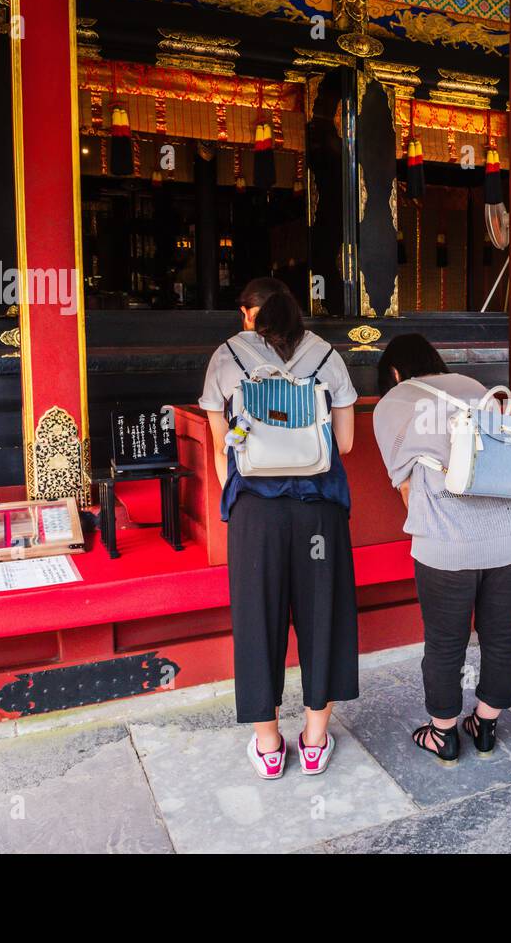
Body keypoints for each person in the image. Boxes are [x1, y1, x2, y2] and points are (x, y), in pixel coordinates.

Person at [198, 277, 360, 780]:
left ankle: (269, 747)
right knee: (323, 614)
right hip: (319, 510)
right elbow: (347, 444)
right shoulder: (327, 356)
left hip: (256, 514)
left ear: (248, 314)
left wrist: (249, 483)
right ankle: (314, 741)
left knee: (256, 618)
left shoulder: (227, 356)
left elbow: (223, 447)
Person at [372, 334, 511, 761]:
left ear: (393, 372)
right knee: (502, 634)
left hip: (448, 543)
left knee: (446, 641)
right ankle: (485, 725)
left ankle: (442, 733)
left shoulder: (393, 402)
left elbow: (407, 487)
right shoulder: (476, 387)